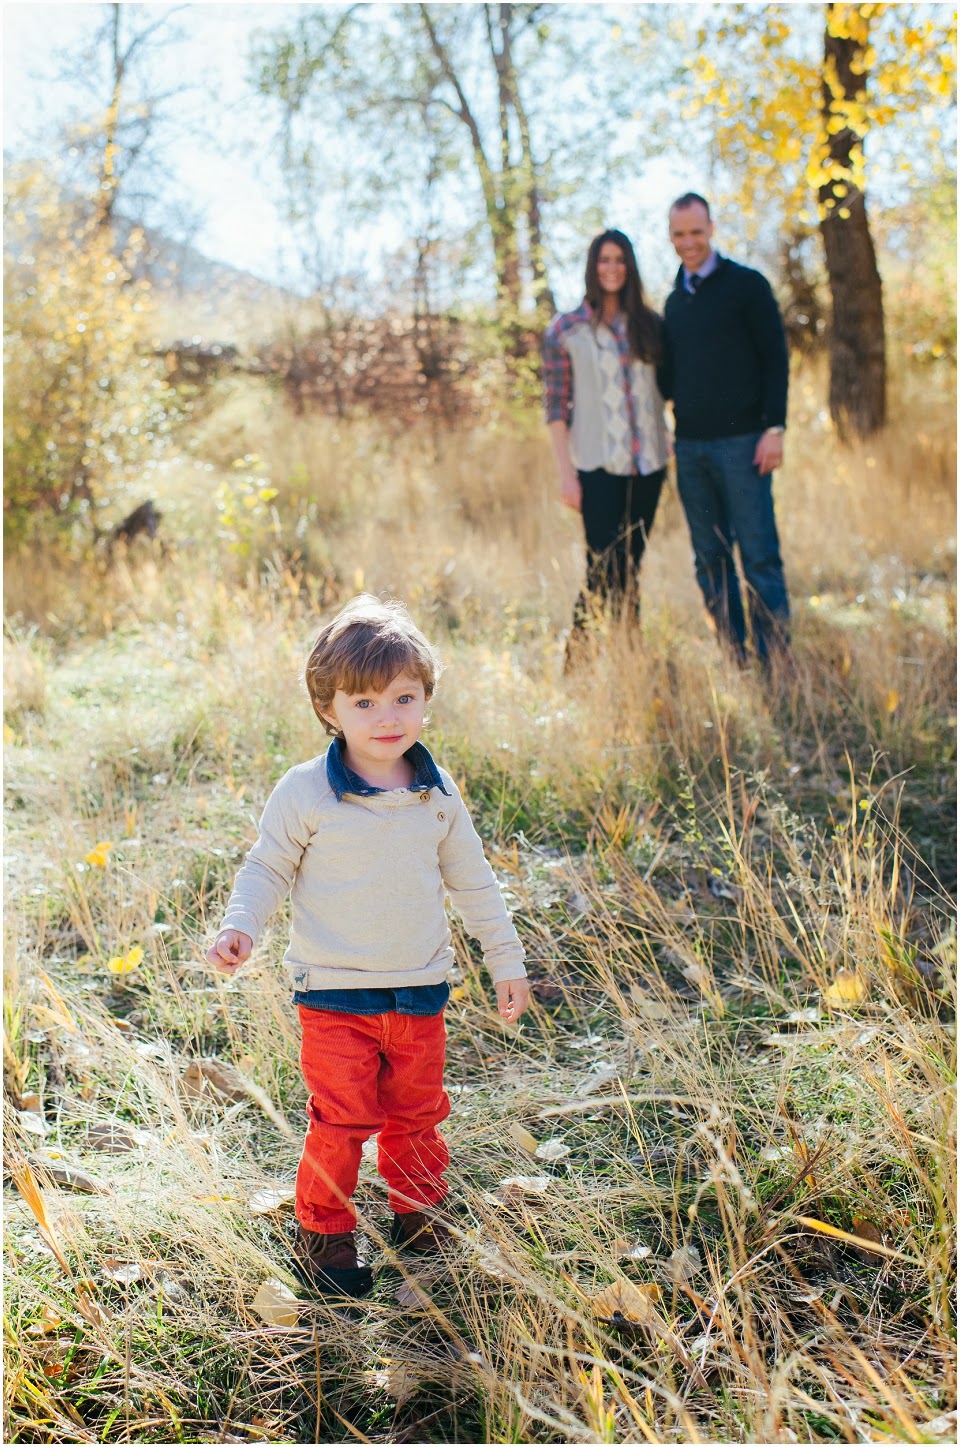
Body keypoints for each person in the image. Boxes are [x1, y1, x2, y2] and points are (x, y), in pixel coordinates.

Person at [206, 595, 529, 1298]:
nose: (388, 717)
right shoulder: (306, 792)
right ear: (329, 709)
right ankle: (325, 1236)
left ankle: (419, 1218)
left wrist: (506, 961)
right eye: (365, 702)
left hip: (419, 990)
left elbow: (474, 882)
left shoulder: (436, 794)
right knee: (342, 1119)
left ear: (426, 699)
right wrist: (241, 926)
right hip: (333, 994)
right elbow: (266, 867)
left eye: (404, 697)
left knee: (418, 1113)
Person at [659, 193, 791, 666]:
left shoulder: (747, 286)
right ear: (670, 237)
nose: (688, 242)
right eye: (679, 234)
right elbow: (667, 379)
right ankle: (735, 656)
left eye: (696, 232)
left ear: (711, 228)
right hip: (691, 448)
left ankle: (775, 659)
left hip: (745, 443)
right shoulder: (674, 303)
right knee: (709, 559)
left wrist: (774, 427)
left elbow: (776, 358)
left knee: (758, 555)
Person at [542, 229, 670, 664]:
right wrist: (566, 476)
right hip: (595, 468)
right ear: (592, 267)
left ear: (629, 266)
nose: (612, 267)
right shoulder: (566, 329)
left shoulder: (651, 326)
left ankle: (629, 654)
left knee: (631, 566)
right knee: (601, 565)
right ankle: (576, 662)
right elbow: (555, 407)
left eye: (619, 260)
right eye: (604, 260)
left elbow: (667, 391)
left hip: (649, 465)